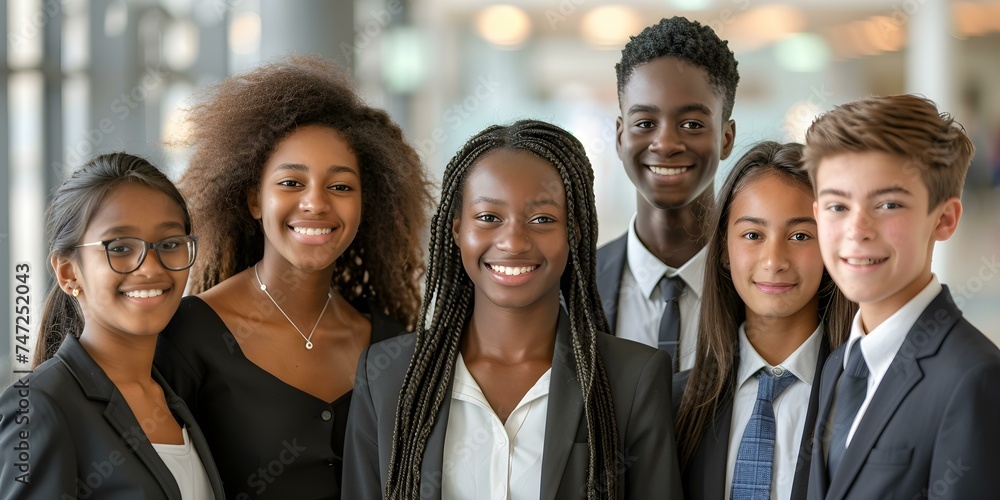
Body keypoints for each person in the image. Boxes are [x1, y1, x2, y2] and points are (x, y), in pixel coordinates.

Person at [342, 120, 682, 499]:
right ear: (457, 231)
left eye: (542, 220)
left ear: (575, 232)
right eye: (489, 218)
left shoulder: (633, 380)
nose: (514, 242)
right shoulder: (385, 377)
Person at [153, 56, 432, 500]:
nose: (316, 204)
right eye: (291, 183)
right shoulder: (188, 337)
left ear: (366, 204)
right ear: (253, 200)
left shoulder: (391, 345)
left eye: (340, 187)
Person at [803, 94, 1000, 500]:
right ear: (818, 215)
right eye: (838, 205)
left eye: (889, 204)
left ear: (944, 219)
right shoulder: (839, 365)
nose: (857, 229)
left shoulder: (973, 379)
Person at [0, 153, 224, 499]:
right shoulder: (40, 406)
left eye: (170, 244)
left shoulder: (174, 396)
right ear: (68, 272)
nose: (150, 268)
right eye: (119, 247)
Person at [672, 141, 855, 500]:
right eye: (753, 235)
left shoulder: (864, 399)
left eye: (800, 236)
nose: (774, 261)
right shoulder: (675, 404)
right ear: (724, 249)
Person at [598, 16, 739, 371]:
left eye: (692, 124)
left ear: (726, 138)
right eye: (645, 123)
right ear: (620, 137)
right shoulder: (573, 287)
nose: (665, 144)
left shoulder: (763, 280)